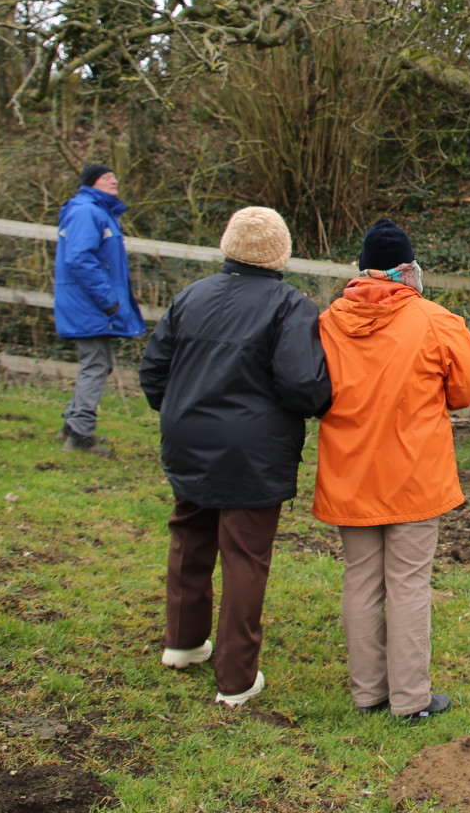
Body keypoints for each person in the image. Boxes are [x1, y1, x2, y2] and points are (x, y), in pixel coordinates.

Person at [138, 207, 332, 708]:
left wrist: (182, 409)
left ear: (228, 246)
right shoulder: (291, 307)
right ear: (281, 253)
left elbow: (154, 369)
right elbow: (303, 385)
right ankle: (236, 677)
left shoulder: (191, 295)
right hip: (254, 449)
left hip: (189, 436)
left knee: (190, 533)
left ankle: (182, 641)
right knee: (245, 556)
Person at [314, 218, 470, 722]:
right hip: (414, 475)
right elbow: (468, 387)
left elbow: (311, 387)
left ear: (362, 269)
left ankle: (368, 693)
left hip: (350, 474)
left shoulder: (328, 322)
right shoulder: (435, 320)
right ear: (409, 269)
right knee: (409, 582)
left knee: (361, 579)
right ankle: (410, 700)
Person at [53, 162, 145, 455]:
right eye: (107, 177)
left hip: (89, 301)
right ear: (92, 182)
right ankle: (79, 435)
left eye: (115, 176)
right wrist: (108, 300)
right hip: (89, 302)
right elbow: (80, 258)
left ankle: (72, 425)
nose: (114, 180)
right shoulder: (87, 212)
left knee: (97, 362)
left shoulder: (98, 212)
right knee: (95, 363)